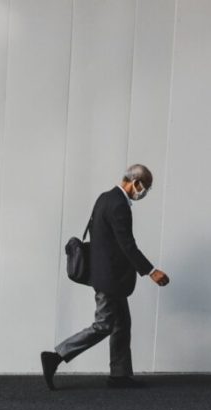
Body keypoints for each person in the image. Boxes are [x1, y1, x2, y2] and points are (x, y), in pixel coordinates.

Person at [42, 164, 169, 389]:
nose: (144, 192)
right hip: (110, 278)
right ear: (135, 183)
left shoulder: (105, 197)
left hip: (107, 275)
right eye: (145, 187)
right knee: (104, 325)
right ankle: (57, 355)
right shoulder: (119, 205)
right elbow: (127, 244)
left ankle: (119, 375)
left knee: (122, 324)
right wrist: (151, 271)